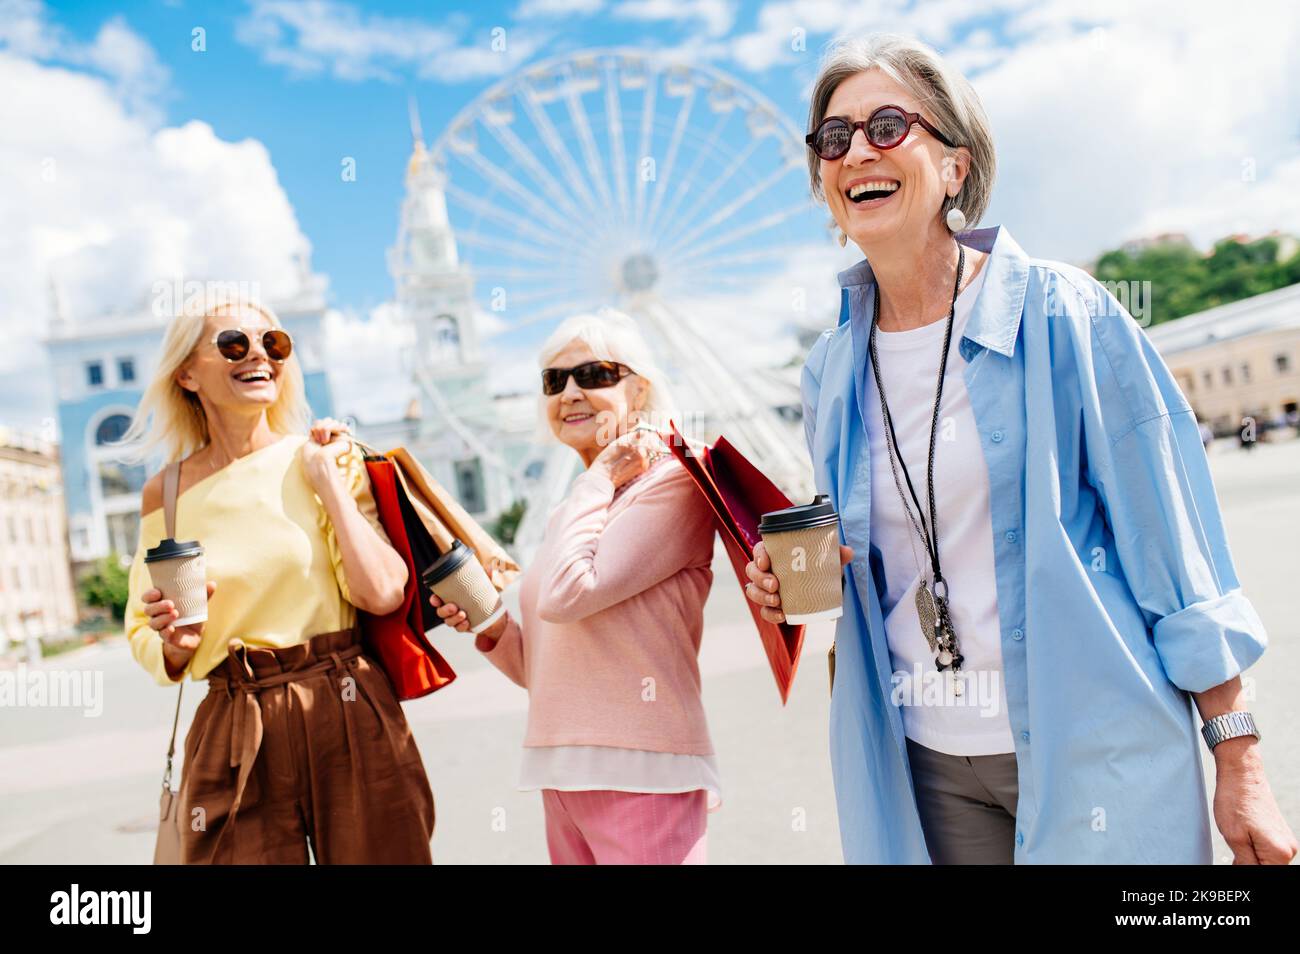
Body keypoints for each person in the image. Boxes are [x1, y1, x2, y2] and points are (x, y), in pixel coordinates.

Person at [745, 33, 1297, 865]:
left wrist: (1239, 754)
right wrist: (790, 586)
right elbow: (867, 560)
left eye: (888, 125)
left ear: (956, 166)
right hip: (923, 763)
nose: (857, 149)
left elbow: (1174, 550)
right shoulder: (828, 371)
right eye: (834, 137)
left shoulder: (1065, 314)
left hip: (1093, 751)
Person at [122, 293, 435, 864]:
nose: (258, 355)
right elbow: (141, 626)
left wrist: (330, 484)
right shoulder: (164, 494)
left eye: (273, 343)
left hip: (344, 696)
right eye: (233, 344)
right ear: (187, 374)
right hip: (233, 713)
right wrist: (174, 646)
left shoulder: (323, 458)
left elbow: (384, 592)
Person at [431, 309, 720, 864]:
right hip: (560, 772)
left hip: (644, 770)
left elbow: (570, 594)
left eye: (593, 375)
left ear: (639, 390)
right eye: (553, 381)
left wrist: (599, 477)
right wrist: (488, 622)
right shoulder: (575, 506)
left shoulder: (677, 482)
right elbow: (549, 670)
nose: (569, 393)